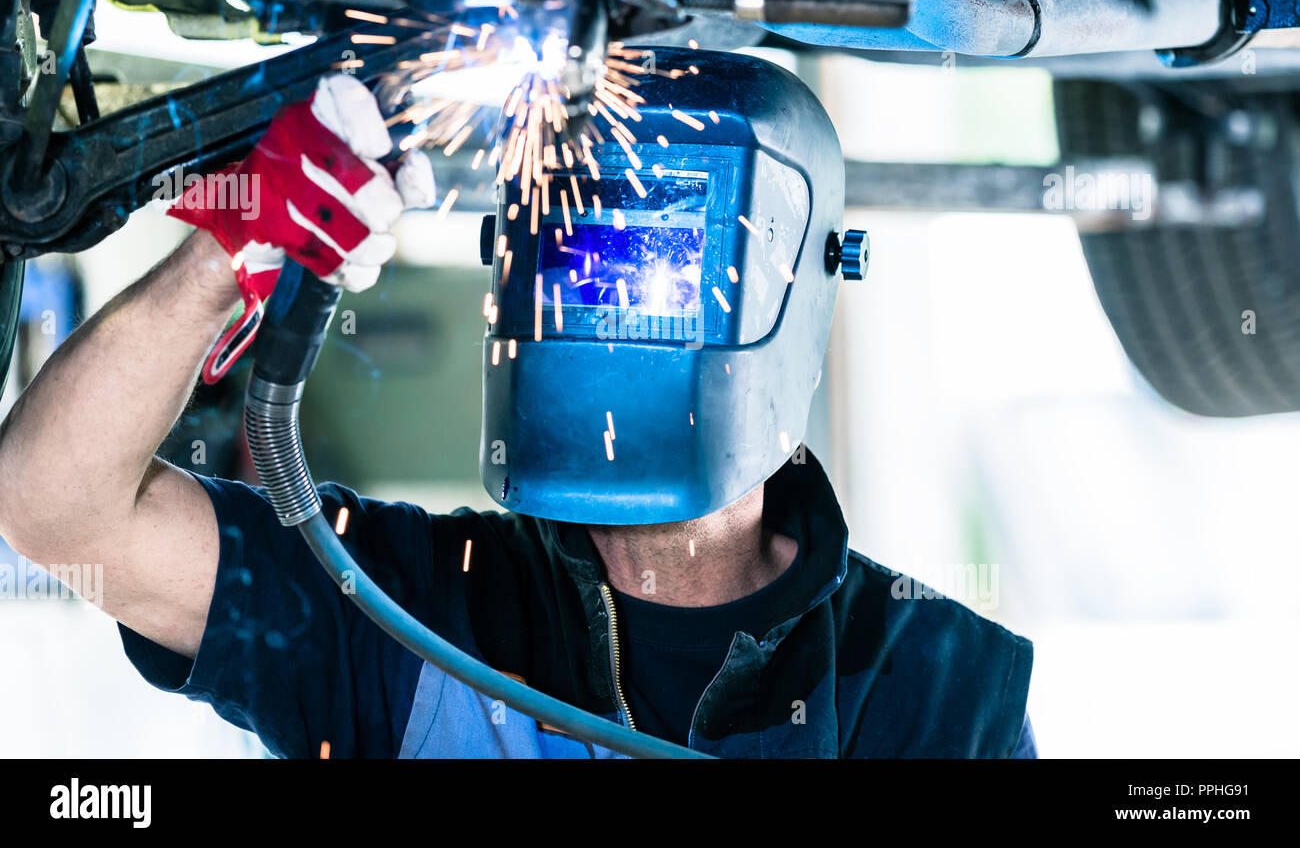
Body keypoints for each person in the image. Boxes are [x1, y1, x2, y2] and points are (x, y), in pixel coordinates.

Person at [0, 57, 1036, 758]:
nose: (616, 299)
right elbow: (58, 508)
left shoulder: (937, 680)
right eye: (585, 263)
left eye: (661, 261)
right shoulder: (396, 606)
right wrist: (235, 250)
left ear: (788, 289)